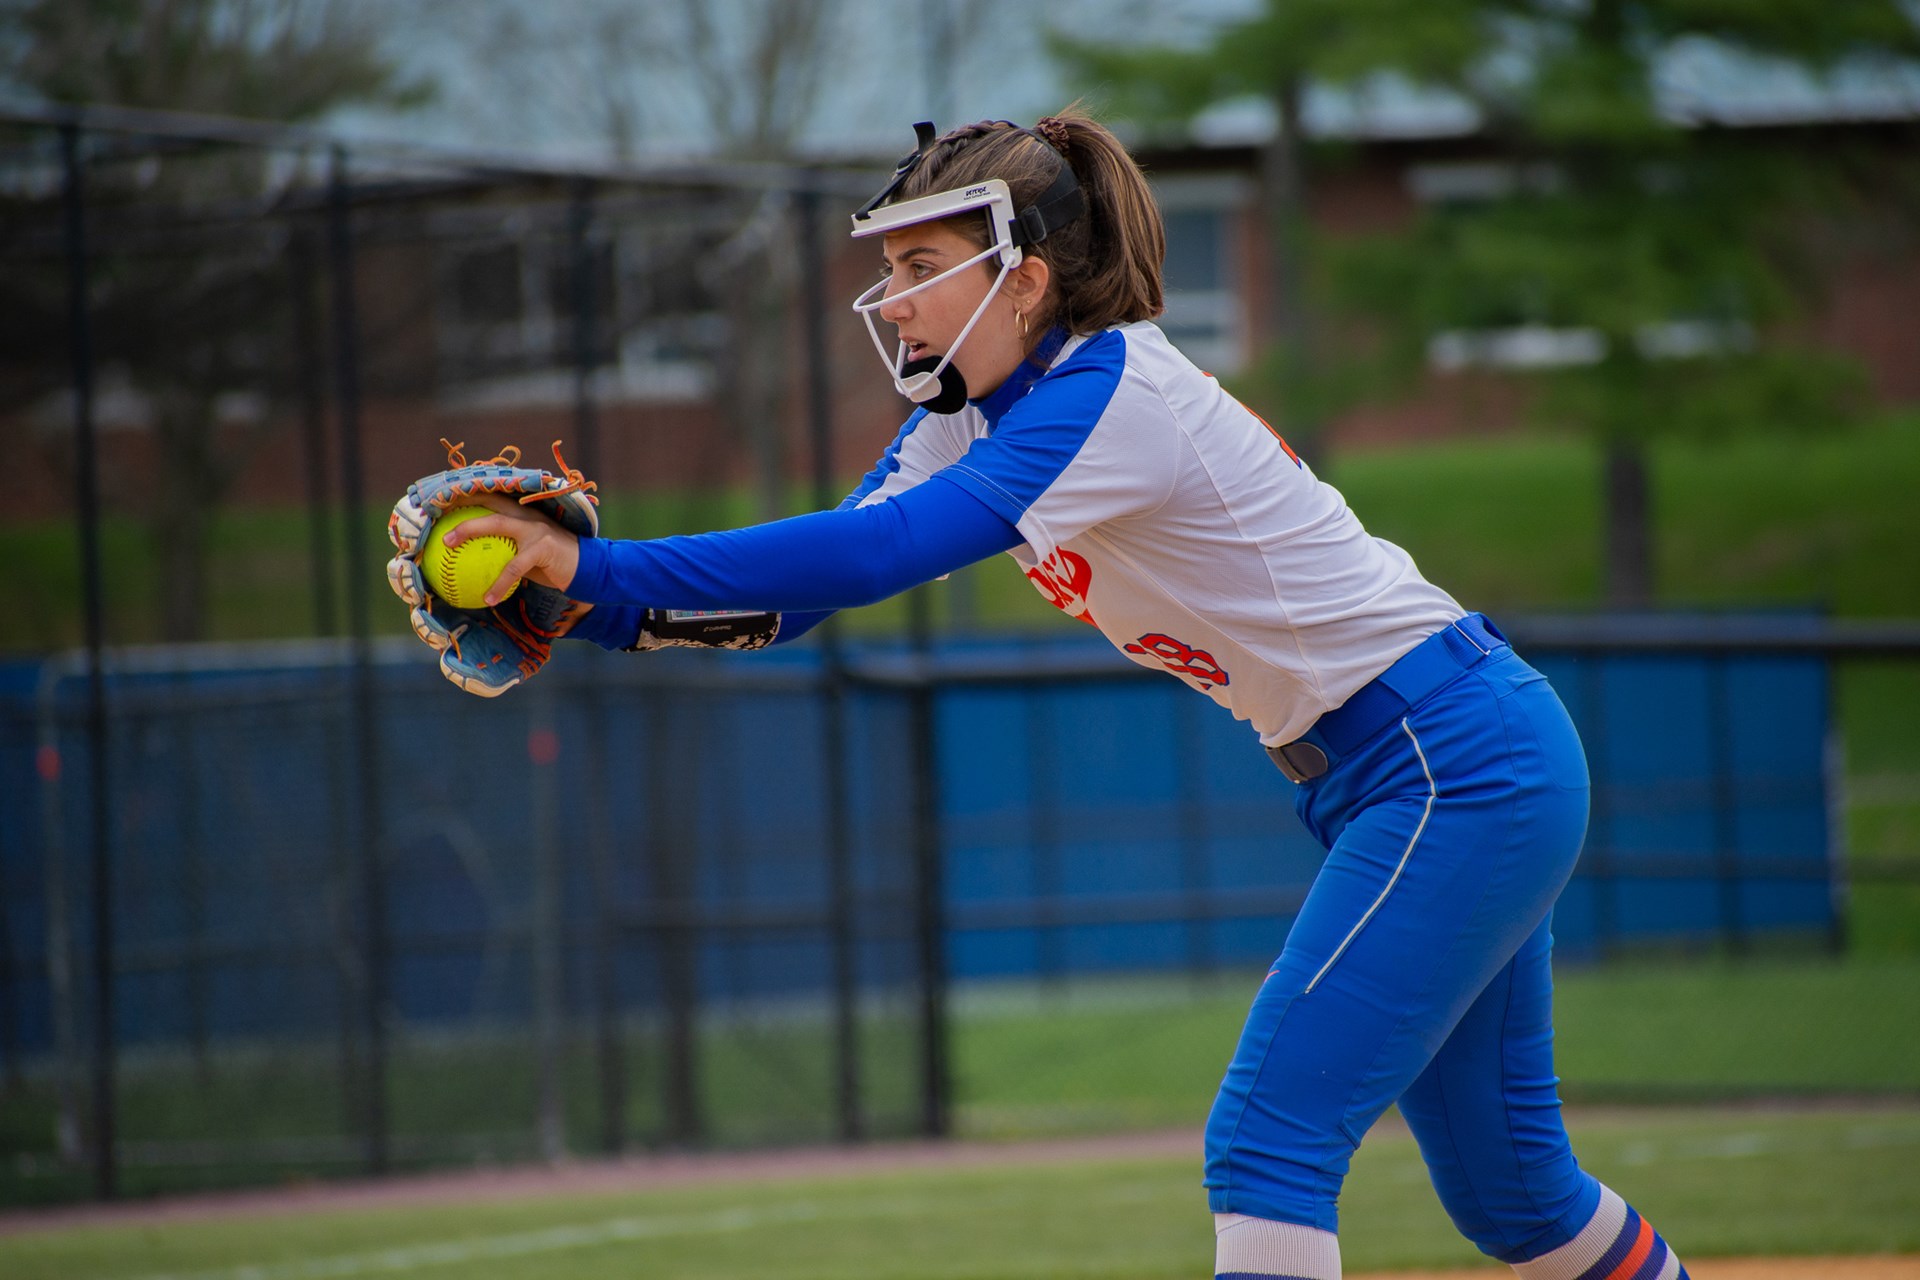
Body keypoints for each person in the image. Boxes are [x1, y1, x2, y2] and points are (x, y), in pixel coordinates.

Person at [436, 111, 1690, 1280]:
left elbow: (877, 555)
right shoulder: (976, 413)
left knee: (1270, 1140)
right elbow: (818, 582)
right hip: (1411, 771)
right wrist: (584, 603)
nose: (894, 299)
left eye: (923, 263)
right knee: (1516, 1194)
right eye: (892, 267)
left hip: (1451, 762)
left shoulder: (1109, 388)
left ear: (1023, 275)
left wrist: (594, 563)